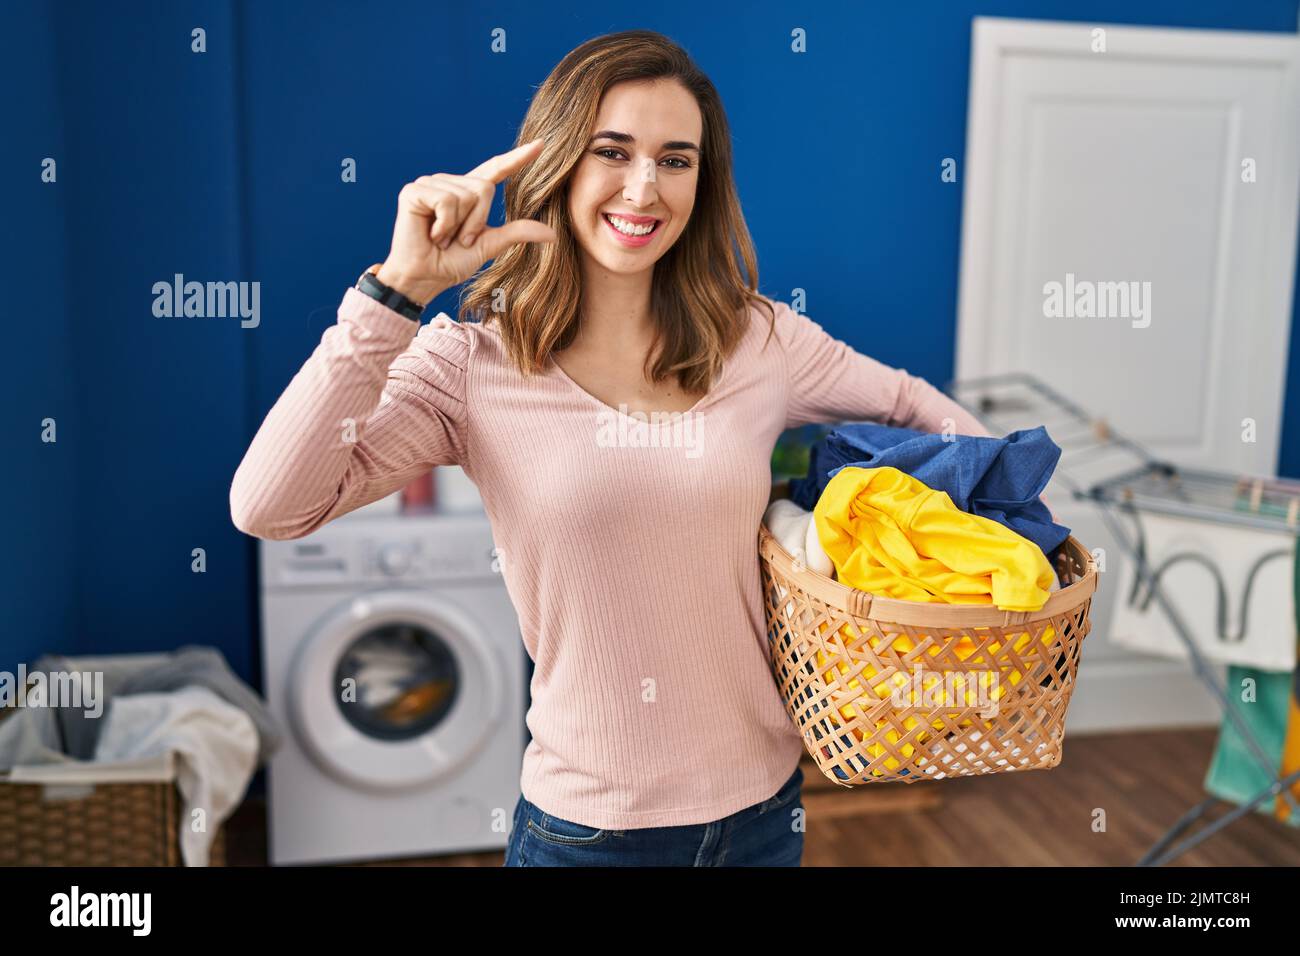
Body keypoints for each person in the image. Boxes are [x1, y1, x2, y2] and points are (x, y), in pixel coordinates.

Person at [229, 28, 994, 866]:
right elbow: (270, 506)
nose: (644, 187)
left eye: (676, 159)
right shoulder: (470, 365)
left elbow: (911, 402)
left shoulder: (758, 339)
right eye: (612, 151)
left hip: (766, 816)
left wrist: (1022, 525)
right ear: (557, 162)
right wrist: (396, 293)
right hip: (588, 836)